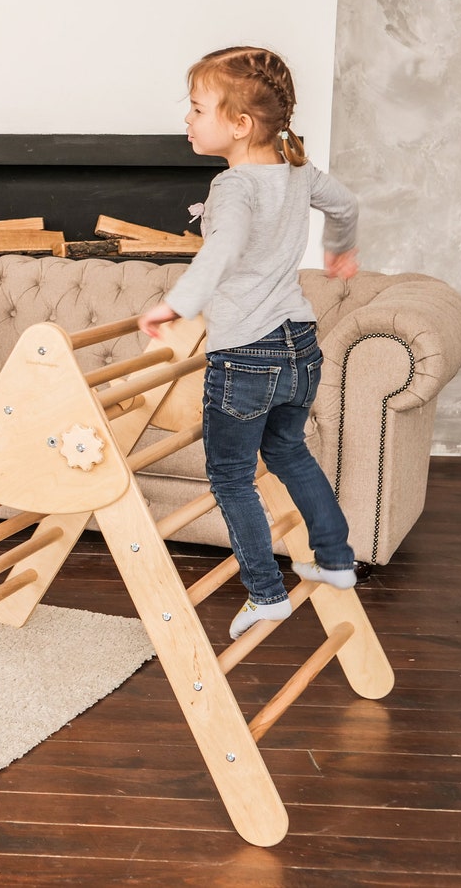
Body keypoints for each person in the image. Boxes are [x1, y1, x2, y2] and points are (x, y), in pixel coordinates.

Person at [137, 46, 361, 640]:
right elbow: (345, 205)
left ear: (239, 124)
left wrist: (175, 304)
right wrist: (340, 246)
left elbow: (224, 248)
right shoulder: (295, 172)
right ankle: (337, 560)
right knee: (289, 451)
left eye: (196, 108)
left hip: (246, 355)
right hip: (299, 345)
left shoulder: (233, 186)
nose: (187, 120)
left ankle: (266, 594)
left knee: (231, 476)